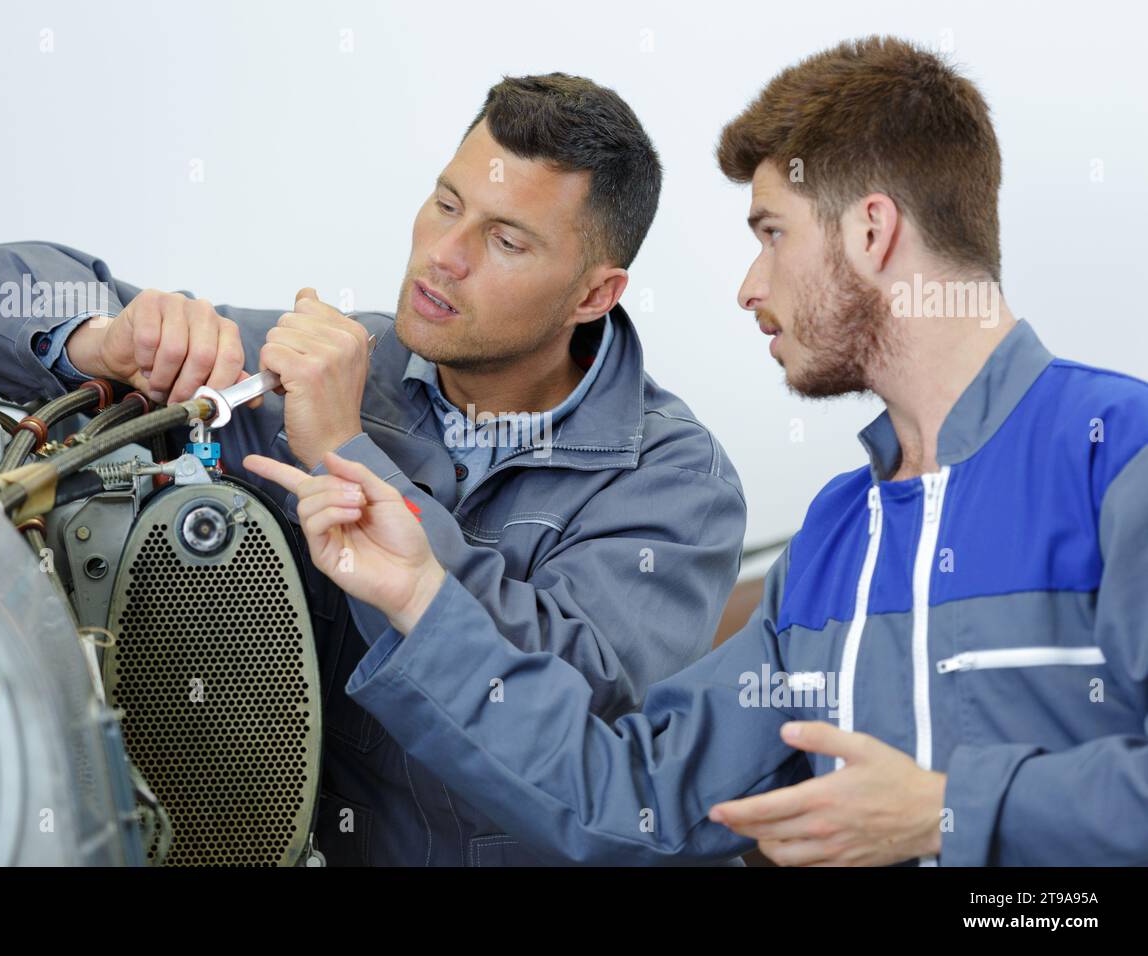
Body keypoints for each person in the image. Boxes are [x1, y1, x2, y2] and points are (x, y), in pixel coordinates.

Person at [253, 37, 1148, 866]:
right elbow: (633, 796)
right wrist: (417, 595)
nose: (749, 287)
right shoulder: (837, 544)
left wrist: (951, 810)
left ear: (871, 233)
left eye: (771, 234)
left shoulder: (1118, 455)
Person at [0, 73, 748, 866]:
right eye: (446, 204)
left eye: (505, 240)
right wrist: (100, 341)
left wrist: (345, 451)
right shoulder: (317, 361)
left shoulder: (677, 480)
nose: (444, 256)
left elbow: (579, 711)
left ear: (593, 296)